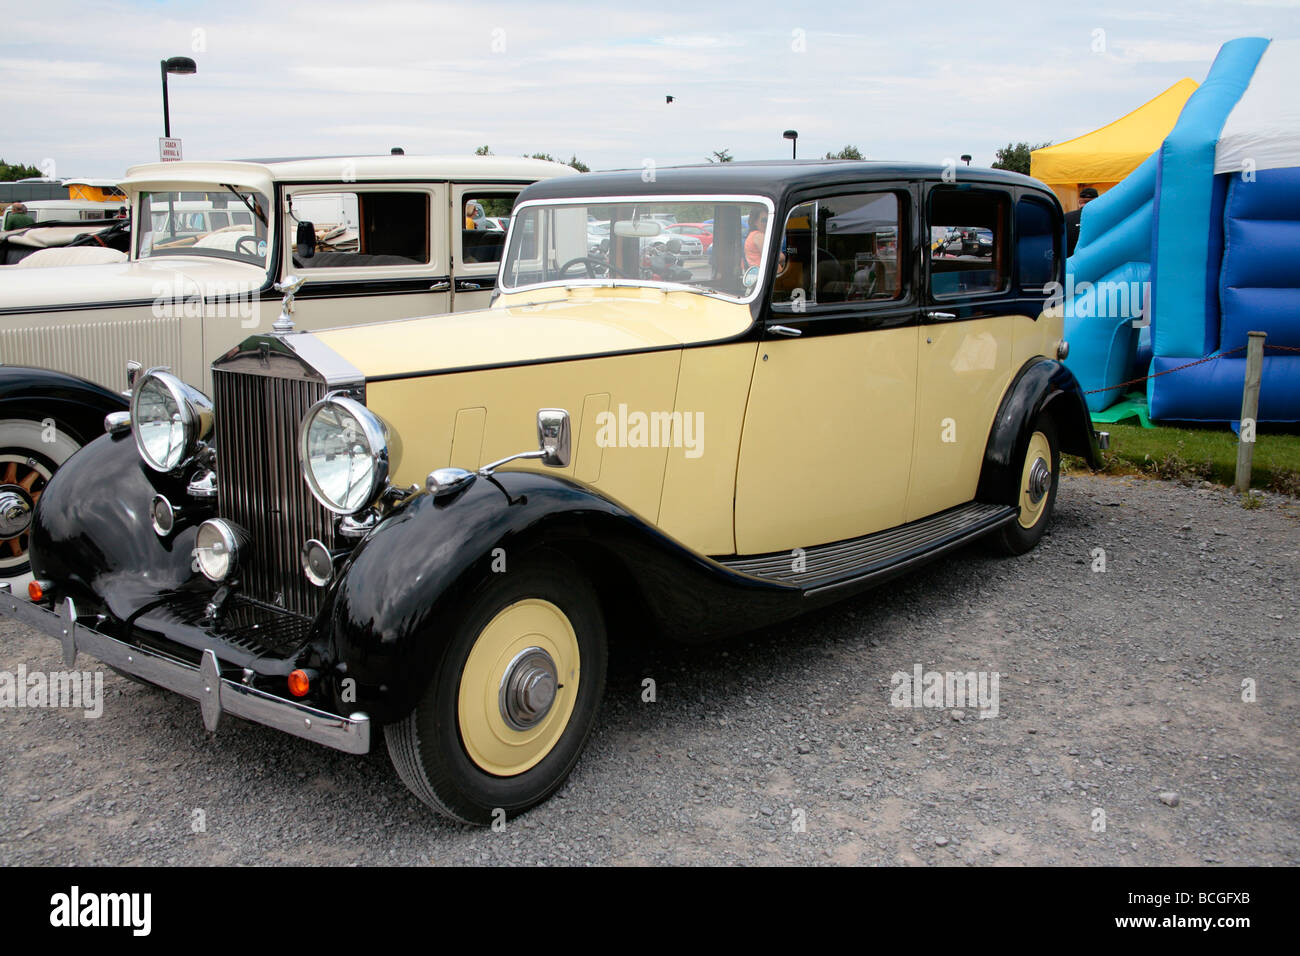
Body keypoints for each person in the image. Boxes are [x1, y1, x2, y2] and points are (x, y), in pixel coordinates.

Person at [1065, 186, 1098, 256]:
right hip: (1096, 260)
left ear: (1079, 202)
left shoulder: (1066, 217)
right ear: (1097, 201)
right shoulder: (1102, 217)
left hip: (1070, 262)